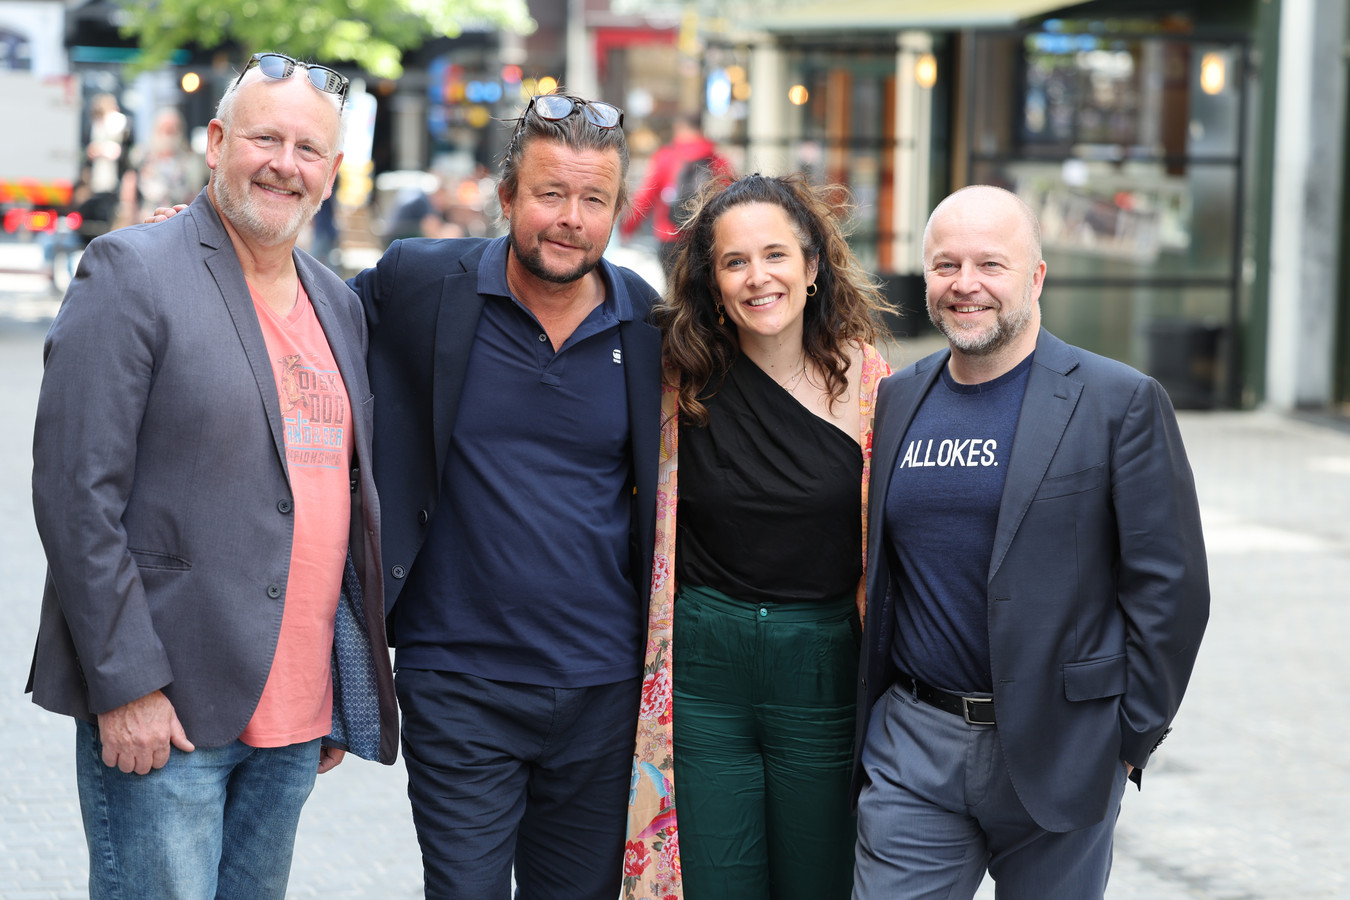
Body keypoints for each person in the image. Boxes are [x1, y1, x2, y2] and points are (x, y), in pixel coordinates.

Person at [28, 51, 398, 900]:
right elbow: (75, 493)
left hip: (296, 717)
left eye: (309, 150)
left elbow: (335, 499)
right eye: (265, 138)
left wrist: (341, 687)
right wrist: (126, 686)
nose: (285, 164)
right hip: (169, 710)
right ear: (217, 141)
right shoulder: (133, 271)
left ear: (334, 172)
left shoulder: (337, 304)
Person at [852, 185, 1210, 898]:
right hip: (914, 746)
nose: (966, 285)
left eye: (991, 264)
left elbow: (1171, 589)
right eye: (946, 265)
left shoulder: (1119, 402)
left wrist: (1126, 743)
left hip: (1061, 748)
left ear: (1036, 277)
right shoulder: (899, 398)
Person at [350, 93, 662, 899]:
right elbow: (291, 311)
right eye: (551, 193)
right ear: (508, 197)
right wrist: (194, 236)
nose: (571, 219)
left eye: (594, 200)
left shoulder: (650, 324)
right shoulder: (421, 284)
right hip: (459, 682)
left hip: (603, 689)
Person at [624, 173, 893, 900]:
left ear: (812, 268)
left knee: (822, 880)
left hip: (824, 668)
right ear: (712, 283)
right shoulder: (675, 380)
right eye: (734, 261)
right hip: (704, 669)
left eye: (775, 255)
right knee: (716, 881)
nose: (757, 277)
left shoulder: (873, 388)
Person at [620, 113, 733, 274]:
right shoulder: (718, 159)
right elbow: (730, 200)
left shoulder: (665, 157)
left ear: (679, 128)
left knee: (675, 295)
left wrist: (627, 229)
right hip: (706, 240)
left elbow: (645, 198)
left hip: (670, 239)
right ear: (701, 129)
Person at [125, 106, 208, 224]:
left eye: (172, 130)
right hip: (145, 223)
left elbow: (195, 195)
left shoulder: (190, 161)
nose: (168, 134)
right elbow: (129, 191)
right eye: (165, 129)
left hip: (179, 223)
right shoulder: (141, 157)